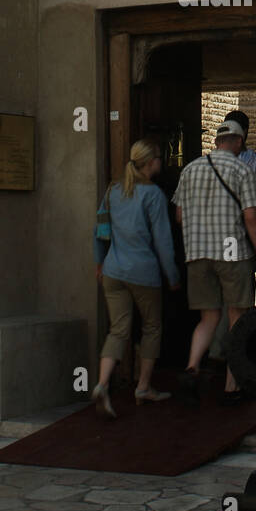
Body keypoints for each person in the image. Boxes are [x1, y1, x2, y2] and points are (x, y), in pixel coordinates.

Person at [172, 120, 256, 404]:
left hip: (198, 254)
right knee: (237, 316)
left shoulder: (190, 169)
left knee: (208, 318)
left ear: (216, 142)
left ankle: (192, 368)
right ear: (239, 143)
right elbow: (252, 217)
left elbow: (179, 216)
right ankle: (232, 385)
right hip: (232, 253)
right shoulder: (242, 169)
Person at [92, 139, 181, 418]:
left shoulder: (113, 191)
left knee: (118, 329)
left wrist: (99, 263)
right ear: (151, 162)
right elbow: (163, 241)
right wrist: (173, 275)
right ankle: (143, 387)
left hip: (113, 270)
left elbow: (99, 229)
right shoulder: (153, 195)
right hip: (144, 273)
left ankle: (102, 384)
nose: (161, 162)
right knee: (152, 327)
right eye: (159, 157)